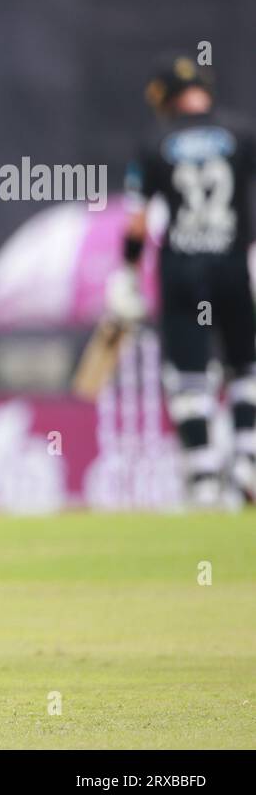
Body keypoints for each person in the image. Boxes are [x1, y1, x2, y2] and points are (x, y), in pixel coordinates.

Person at [106, 57, 256, 506]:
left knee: (189, 376)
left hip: (183, 273)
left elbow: (136, 224)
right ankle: (248, 460)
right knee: (246, 366)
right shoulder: (242, 134)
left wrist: (128, 275)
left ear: (166, 102)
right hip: (234, 267)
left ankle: (205, 478)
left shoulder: (155, 141)